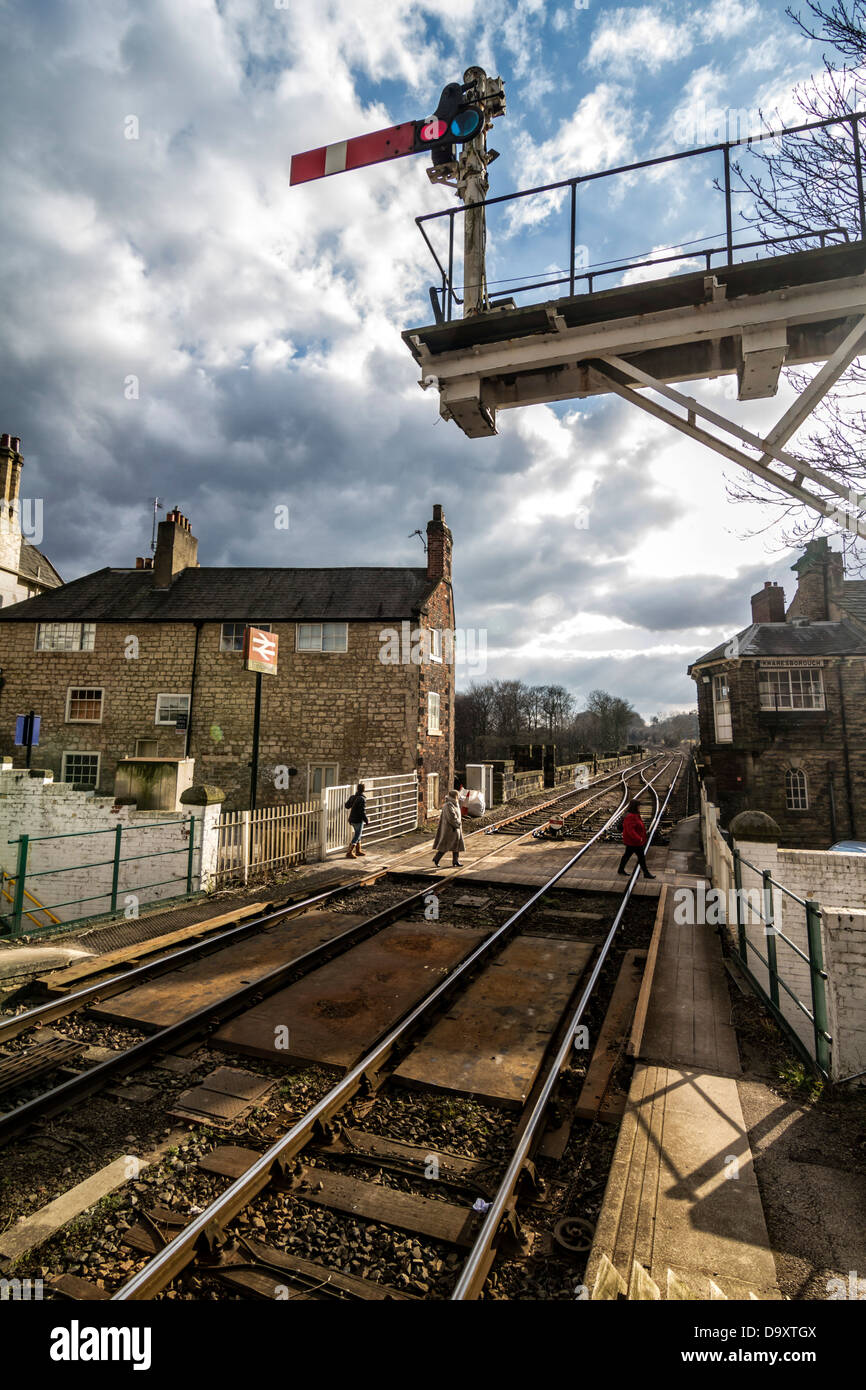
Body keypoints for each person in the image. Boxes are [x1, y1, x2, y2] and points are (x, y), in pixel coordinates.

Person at [618, 800, 656, 879]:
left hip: (634, 841)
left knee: (627, 855)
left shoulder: (635, 815)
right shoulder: (631, 816)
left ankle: (621, 870)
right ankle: (646, 873)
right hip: (633, 841)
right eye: (638, 806)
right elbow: (630, 830)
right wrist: (639, 838)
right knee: (641, 857)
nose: (640, 807)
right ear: (635, 807)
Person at [432, 788, 465, 868]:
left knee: (456, 845)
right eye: (457, 796)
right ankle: (436, 859)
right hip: (449, 829)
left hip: (455, 828)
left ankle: (455, 861)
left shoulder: (455, 804)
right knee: (446, 845)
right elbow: (451, 817)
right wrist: (458, 824)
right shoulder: (448, 805)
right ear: (455, 796)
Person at [345, 782, 369, 858]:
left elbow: (347, 806)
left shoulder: (352, 797)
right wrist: (366, 820)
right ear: (363, 790)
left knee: (358, 834)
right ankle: (349, 852)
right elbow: (362, 811)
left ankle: (358, 851)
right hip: (358, 820)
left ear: (357, 789)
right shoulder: (362, 799)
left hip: (352, 819)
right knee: (357, 835)